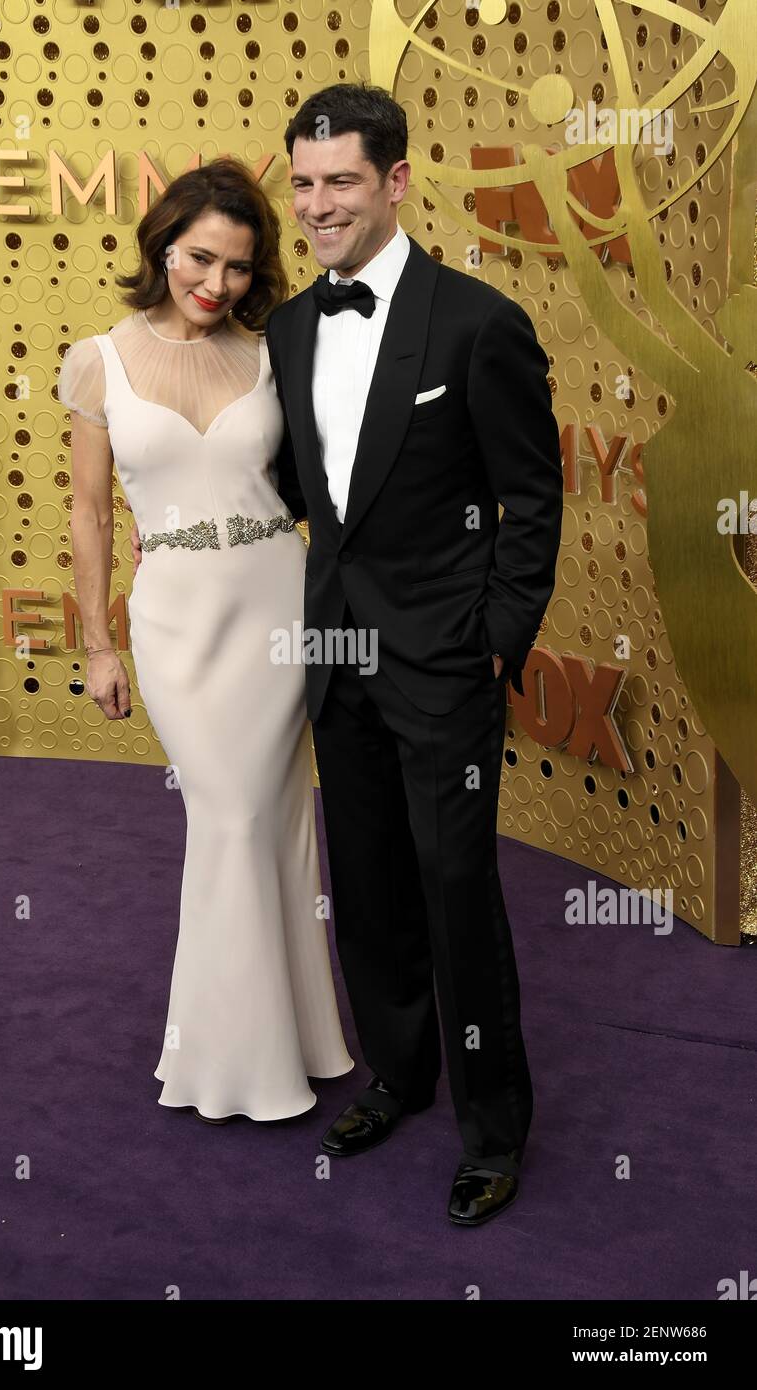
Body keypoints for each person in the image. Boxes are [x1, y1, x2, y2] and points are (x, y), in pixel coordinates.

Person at [255, 82, 562, 1225]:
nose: (318, 203)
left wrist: (496, 638)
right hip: (335, 651)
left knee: (454, 890)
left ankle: (492, 1127)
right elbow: (308, 492)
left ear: (394, 182)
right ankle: (397, 1073)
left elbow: (529, 497)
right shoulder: (289, 325)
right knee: (370, 885)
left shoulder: (476, 323)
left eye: (340, 180)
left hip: (444, 663)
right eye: (303, 182)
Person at [60, 156, 353, 1124]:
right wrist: (98, 645)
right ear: (160, 246)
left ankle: (301, 1038)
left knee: (272, 819)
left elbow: (318, 483)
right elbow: (91, 512)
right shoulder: (96, 359)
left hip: (276, 605)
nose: (213, 283)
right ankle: (233, 1061)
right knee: (225, 814)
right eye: (197, 257)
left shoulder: (276, 351)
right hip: (176, 619)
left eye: (235, 266)